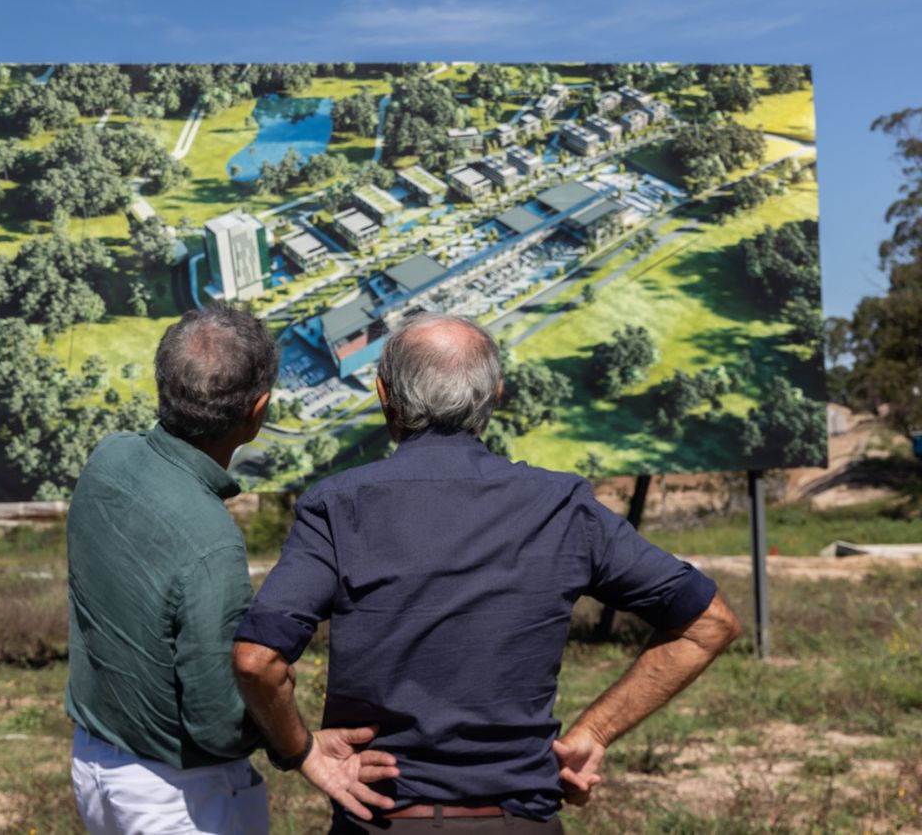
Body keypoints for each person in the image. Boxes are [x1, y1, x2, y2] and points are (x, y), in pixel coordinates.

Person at [232, 312, 743, 833]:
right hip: (519, 819)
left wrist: (302, 754)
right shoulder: (561, 507)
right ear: (495, 395)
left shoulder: (338, 507)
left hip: (380, 820)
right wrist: (596, 732)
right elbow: (710, 623)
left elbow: (256, 660)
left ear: (385, 396)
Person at [66, 305, 399, 834]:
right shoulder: (211, 542)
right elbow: (218, 722)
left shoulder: (107, 459)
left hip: (95, 765)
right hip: (179, 795)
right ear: (258, 411)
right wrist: (300, 744)